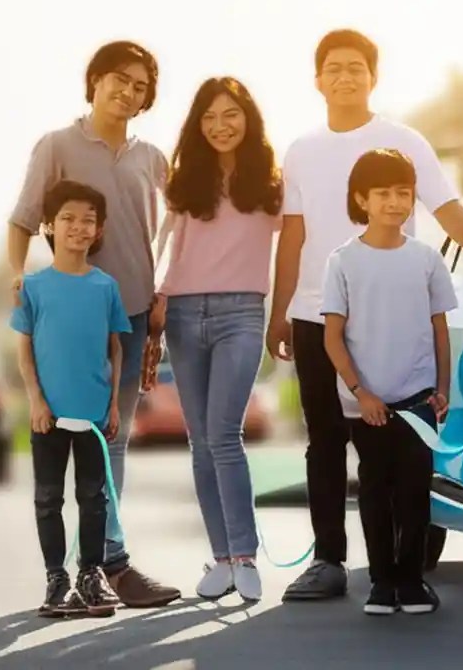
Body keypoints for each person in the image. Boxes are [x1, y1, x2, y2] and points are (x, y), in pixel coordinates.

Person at [269, 28, 463, 601]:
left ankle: (403, 565)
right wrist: (279, 310)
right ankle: (328, 559)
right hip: (317, 312)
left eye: (356, 66)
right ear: (317, 80)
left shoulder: (402, 140)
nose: (344, 76)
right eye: (333, 67)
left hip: (393, 318)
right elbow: (293, 235)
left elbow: (446, 206)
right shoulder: (302, 149)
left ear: (372, 76)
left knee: (402, 445)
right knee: (325, 441)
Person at [7, 40, 180, 608]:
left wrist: (160, 295)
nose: (129, 93)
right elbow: (24, 217)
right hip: (68, 320)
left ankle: (102, 564)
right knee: (64, 449)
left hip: (129, 313)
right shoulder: (57, 144)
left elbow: (172, 231)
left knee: (113, 443)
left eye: (141, 87)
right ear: (96, 80)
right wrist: (15, 274)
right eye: (120, 80)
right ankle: (86, 568)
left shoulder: (152, 157)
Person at [148, 77, 282, 602]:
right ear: (197, 126)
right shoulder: (184, 183)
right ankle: (222, 558)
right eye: (209, 117)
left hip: (241, 314)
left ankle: (245, 556)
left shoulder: (271, 183)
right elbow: (167, 248)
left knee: (224, 434)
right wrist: (158, 303)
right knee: (200, 440)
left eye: (230, 114)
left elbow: (298, 238)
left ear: (247, 118)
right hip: (183, 313)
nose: (220, 125)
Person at [322, 148, 456, 615]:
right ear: (362, 199)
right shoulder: (342, 262)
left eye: (403, 193)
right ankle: (382, 583)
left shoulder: (426, 258)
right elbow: (333, 338)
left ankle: (411, 581)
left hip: (419, 398)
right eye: (383, 193)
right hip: (368, 401)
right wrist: (361, 392)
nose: (394, 202)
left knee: (416, 488)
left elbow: (439, 328)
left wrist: (444, 387)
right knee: (375, 488)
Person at [11, 180, 130, 619]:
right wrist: (36, 402)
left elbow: (115, 348)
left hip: (95, 415)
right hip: (49, 416)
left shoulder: (105, 287)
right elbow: (24, 350)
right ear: (49, 225)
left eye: (88, 221)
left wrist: (114, 404)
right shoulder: (34, 287)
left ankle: (91, 575)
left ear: (99, 230)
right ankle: (56, 579)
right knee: (47, 498)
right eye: (68, 219)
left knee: (93, 496)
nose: (78, 228)